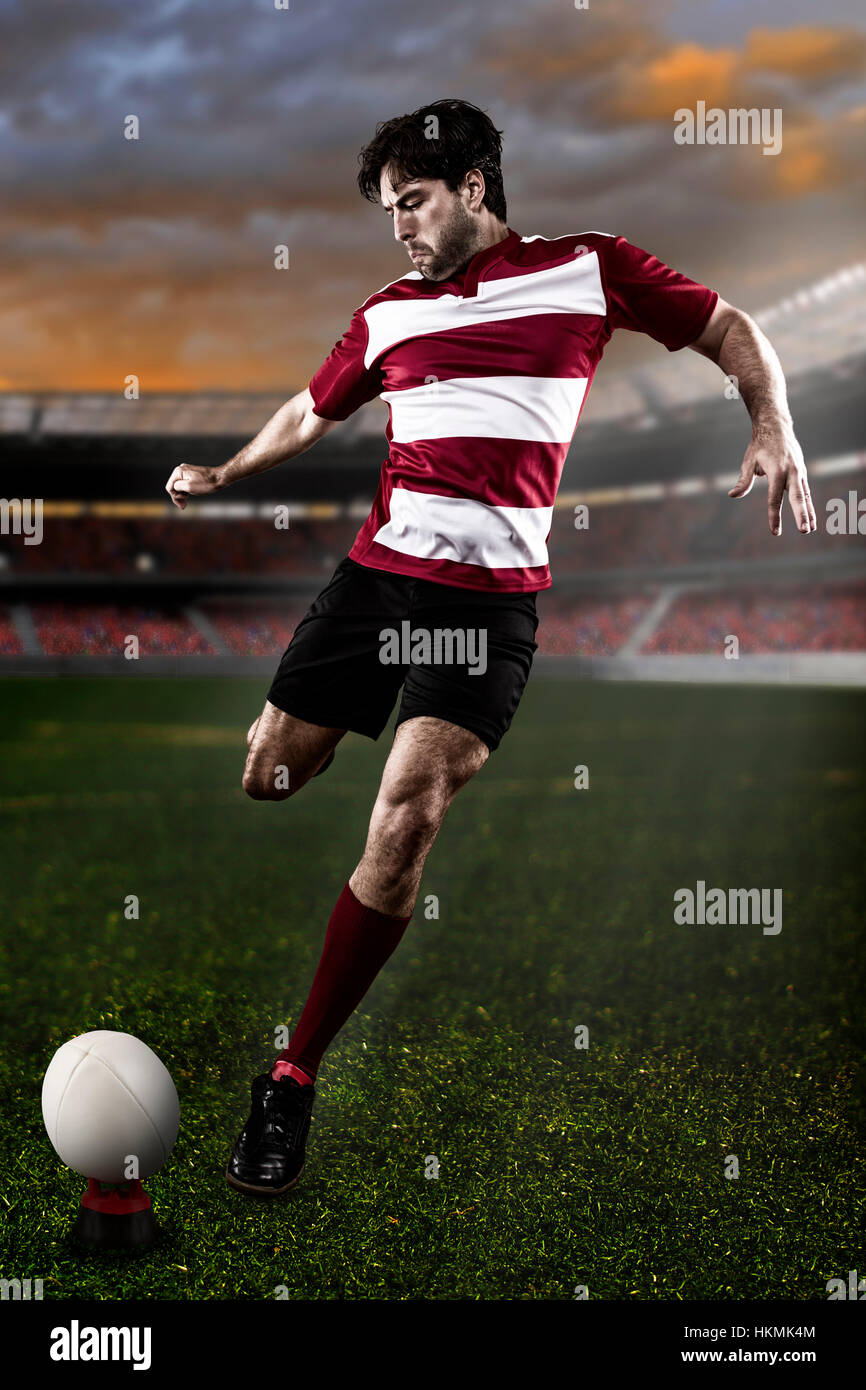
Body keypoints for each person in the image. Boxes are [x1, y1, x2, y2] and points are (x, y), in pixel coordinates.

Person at [164, 98, 814, 1196]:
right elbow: (309, 409)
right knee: (269, 775)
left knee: (407, 810)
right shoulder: (386, 315)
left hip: (486, 606)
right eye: (387, 212)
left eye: (410, 203)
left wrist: (771, 420)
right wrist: (227, 473)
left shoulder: (590, 269)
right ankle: (299, 732)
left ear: (474, 186)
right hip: (377, 581)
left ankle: (292, 1076)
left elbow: (730, 328)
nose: (400, 229)